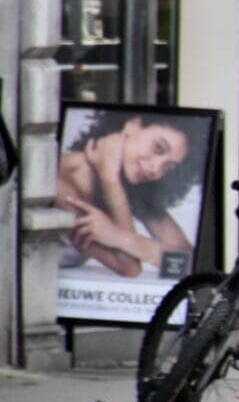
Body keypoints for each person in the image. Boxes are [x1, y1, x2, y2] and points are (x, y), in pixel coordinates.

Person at [57, 111, 210, 279]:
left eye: (168, 167)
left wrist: (120, 237)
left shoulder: (134, 189)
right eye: (158, 148)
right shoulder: (59, 177)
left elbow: (192, 265)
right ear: (132, 124)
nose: (156, 169)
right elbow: (129, 267)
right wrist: (110, 179)